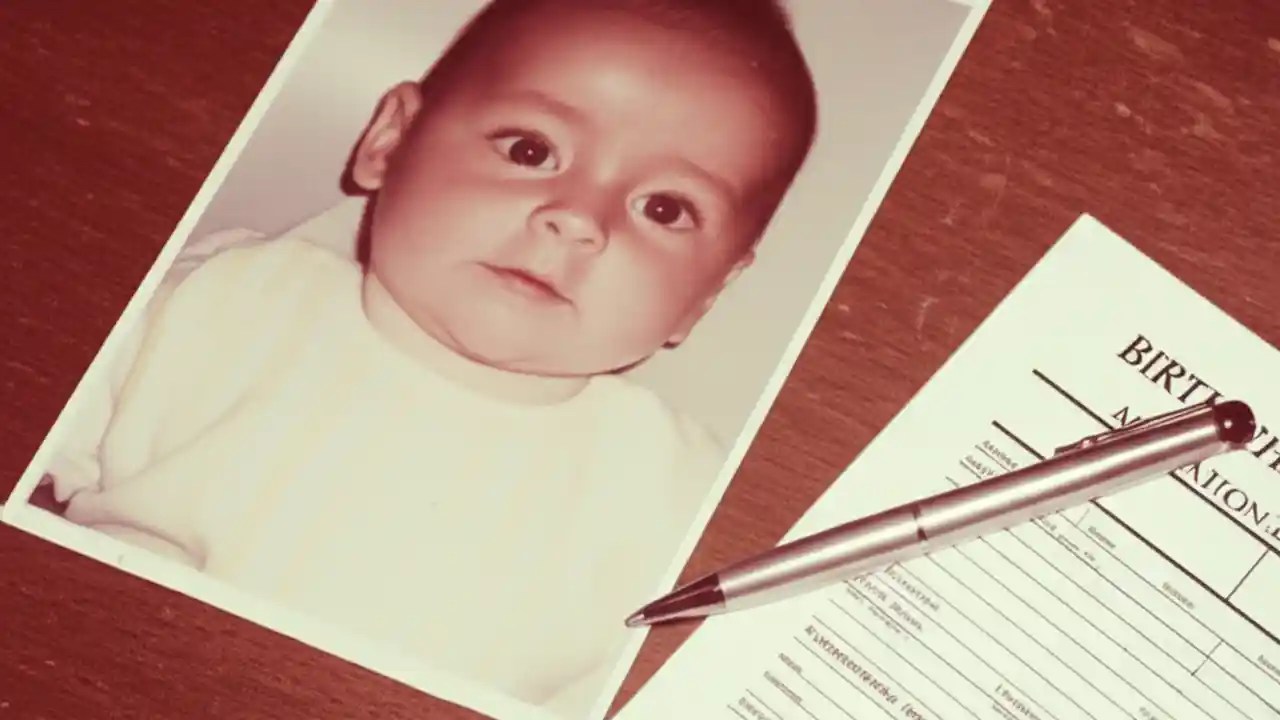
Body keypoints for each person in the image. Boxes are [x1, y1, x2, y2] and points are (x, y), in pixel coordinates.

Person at [40, 0, 818, 715]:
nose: (577, 219)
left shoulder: (684, 502)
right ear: (390, 140)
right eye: (532, 148)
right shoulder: (213, 294)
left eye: (665, 208)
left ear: (708, 295)